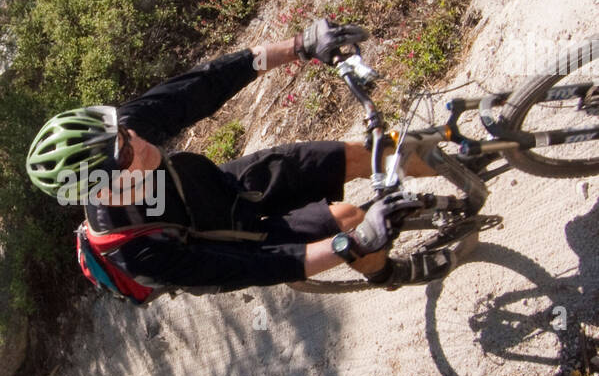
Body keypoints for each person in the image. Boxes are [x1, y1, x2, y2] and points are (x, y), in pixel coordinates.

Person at [25, 19, 435, 295]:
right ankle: (389, 273)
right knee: (349, 219)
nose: (137, 141)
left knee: (363, 153)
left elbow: (205, 84)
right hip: (235, 241)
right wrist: (353, 244)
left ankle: (460, 156)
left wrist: (299, 46)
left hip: (227, 184)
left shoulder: (124, 131)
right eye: (125, 153)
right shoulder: (137, 253)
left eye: (123, 132)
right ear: (104, 190)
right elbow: (252, 268)